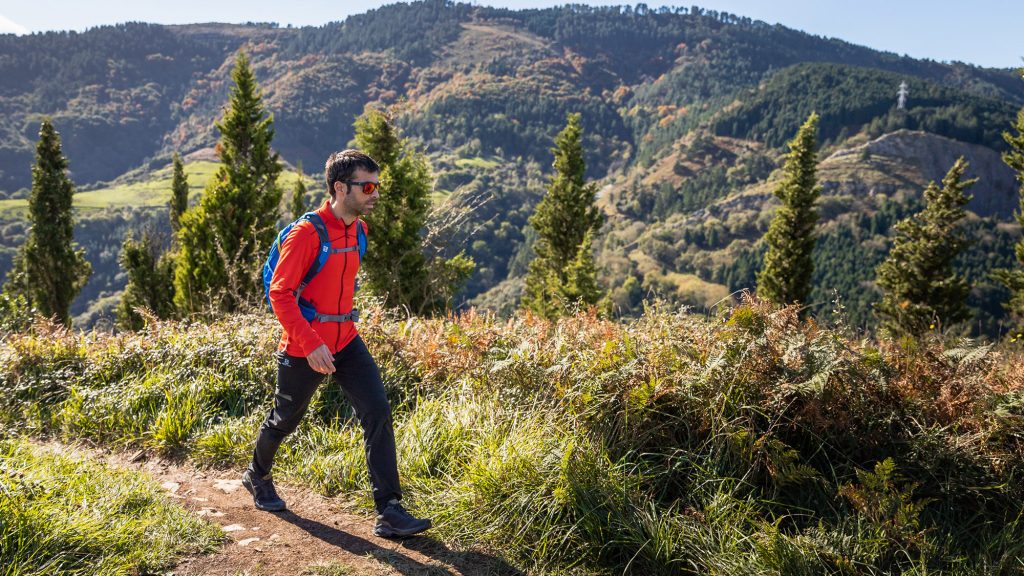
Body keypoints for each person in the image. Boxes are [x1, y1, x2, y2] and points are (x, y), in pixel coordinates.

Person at [242, 149, 431, 538]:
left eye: (376, 185)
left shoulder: (358, 230)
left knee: (377, 410)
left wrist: (333, 335)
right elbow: (281, 293)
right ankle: (256, 475)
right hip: (304, 347)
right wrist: (310, 344)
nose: (375, 193)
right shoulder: (307, 235)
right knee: (285, 419)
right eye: (368, 186)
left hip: (346, 340)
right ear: (340, 187)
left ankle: (389, 510)